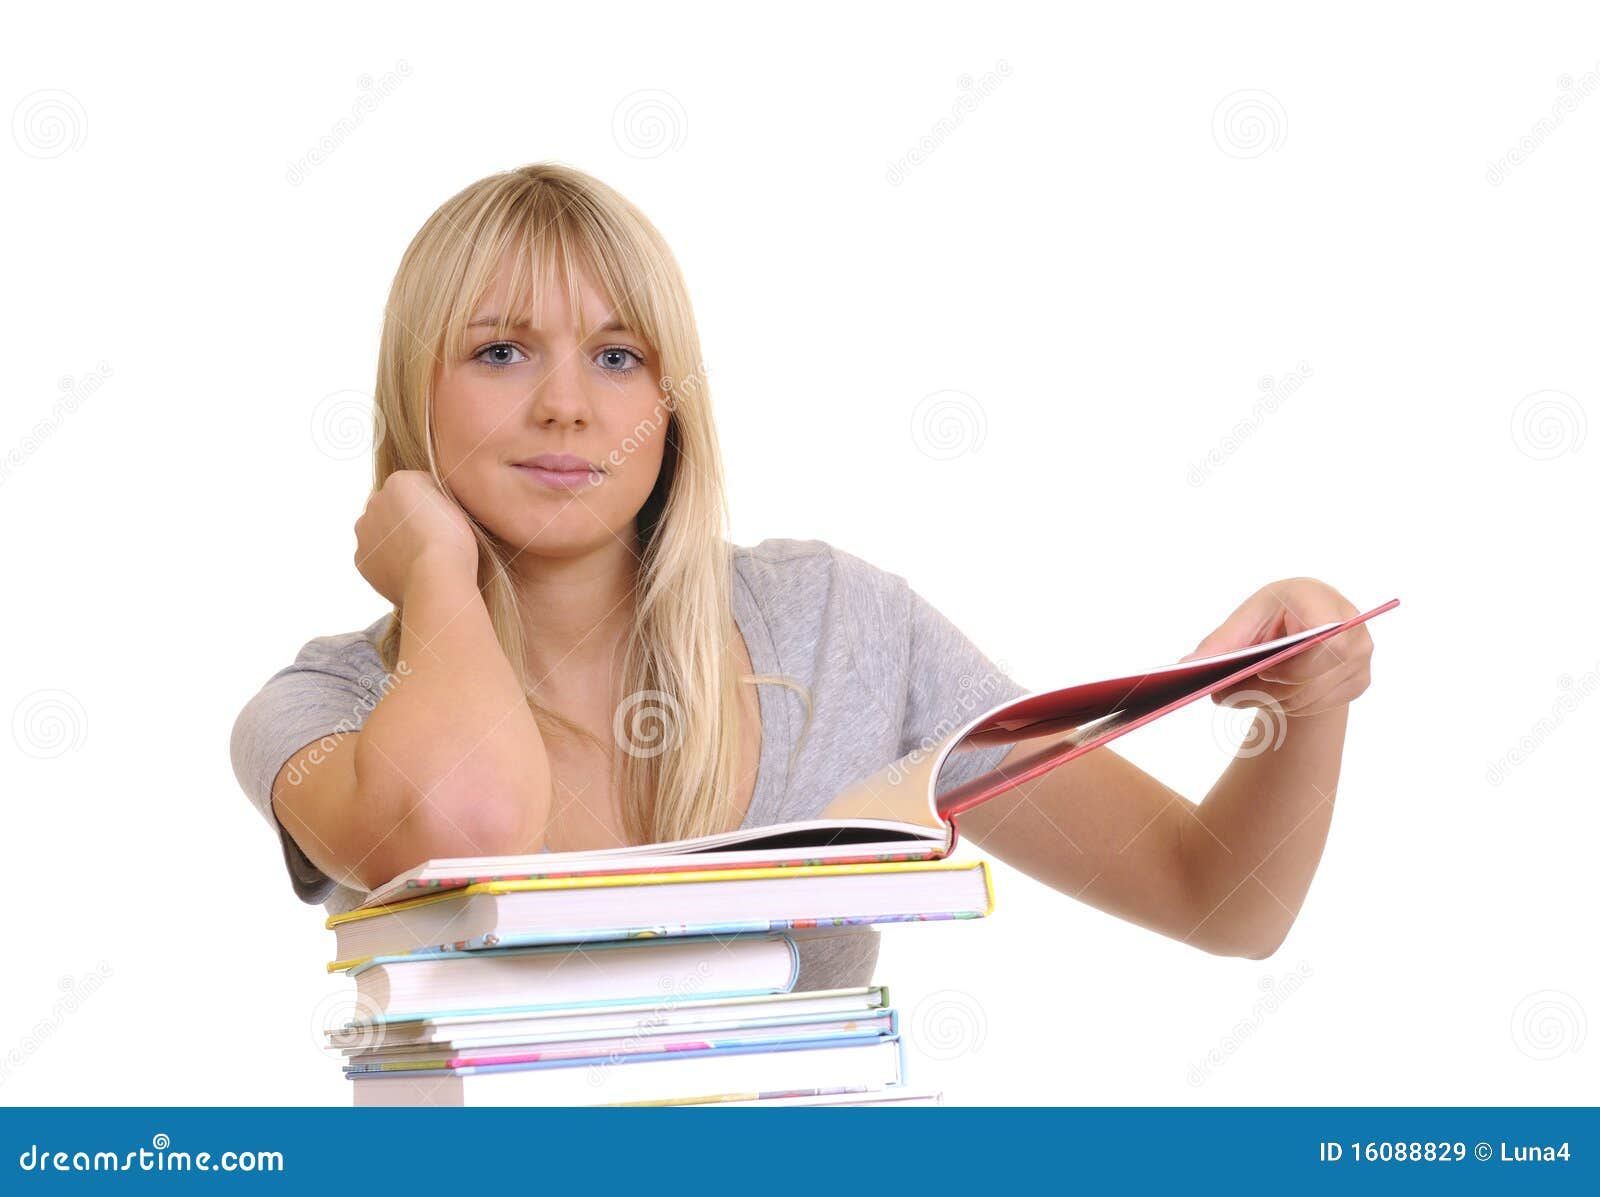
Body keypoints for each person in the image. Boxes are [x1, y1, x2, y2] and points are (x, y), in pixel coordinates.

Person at [230, 162, 1377, 993]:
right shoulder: (322, 711)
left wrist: (1311, 705)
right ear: (410, 400)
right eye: (499, 351)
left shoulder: (835, 628)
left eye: (619, 356)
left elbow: (1219, 900)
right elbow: (464, 828)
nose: (567, 405)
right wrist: (435, 569)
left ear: (670, 409)